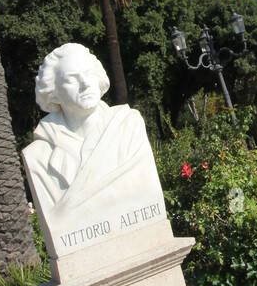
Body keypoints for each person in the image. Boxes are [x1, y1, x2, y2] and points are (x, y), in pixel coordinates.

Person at [22, 43, 167, 258]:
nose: (84, 84)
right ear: (54, 94)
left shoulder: (129, 126)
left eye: (88, 74)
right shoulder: (38, 157)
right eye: (71, 79)